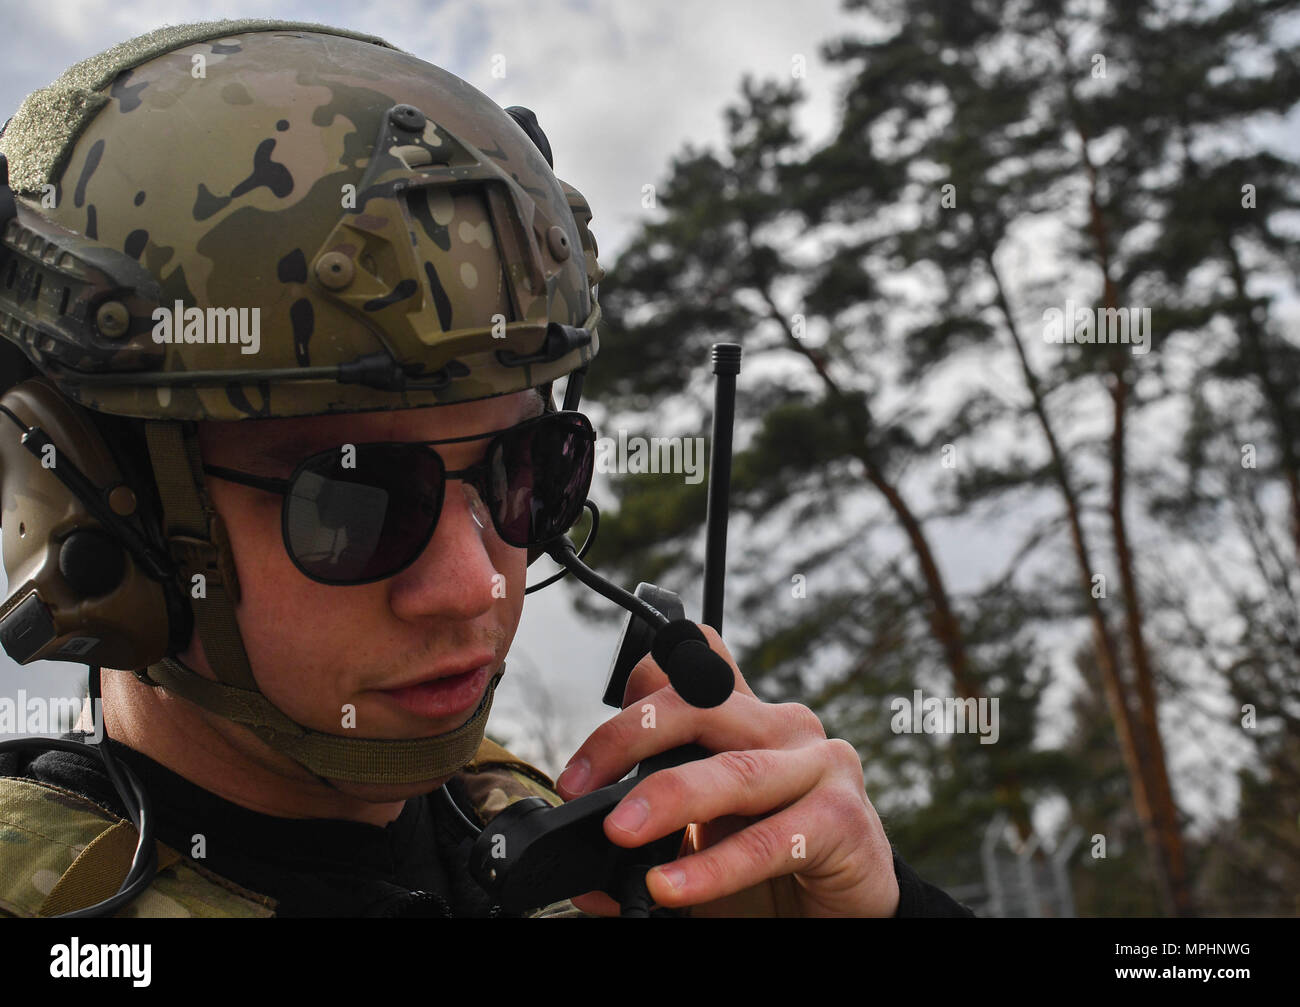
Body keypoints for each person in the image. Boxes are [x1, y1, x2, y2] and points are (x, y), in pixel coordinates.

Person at [0, 19, 974, 918]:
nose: (474, 583)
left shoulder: (606, 847)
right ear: (90, 509)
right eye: (355, 500)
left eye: (526, 470)